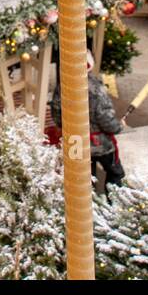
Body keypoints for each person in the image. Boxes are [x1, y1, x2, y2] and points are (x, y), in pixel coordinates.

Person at [51, 50, 125, 192]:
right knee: (116, 173)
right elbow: (105, 118)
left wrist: (62, 126)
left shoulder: (63, 86)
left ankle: (91, 206)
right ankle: (114, 203)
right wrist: (118, 127)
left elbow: (56, 109)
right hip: (100, 143)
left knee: (83, 180)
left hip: (76, 141)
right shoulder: (96, 88)